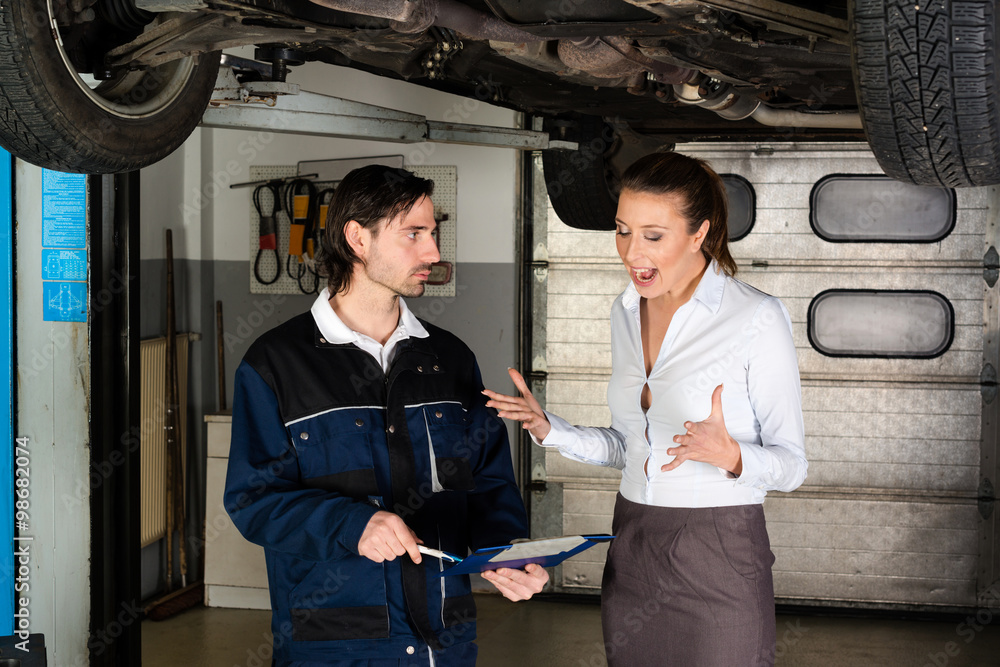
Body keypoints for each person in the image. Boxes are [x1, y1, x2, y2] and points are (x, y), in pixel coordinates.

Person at [484, 151, 807, 666]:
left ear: (700, 233)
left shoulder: (756, 317)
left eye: (653, 236)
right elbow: (631, 448)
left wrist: (732, 457)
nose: (632, 252)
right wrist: (552, 430)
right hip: (633, 543)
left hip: (719, 549)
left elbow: (792, 465)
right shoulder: (625, 309)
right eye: (622, 231)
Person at [225, 164, 548, 667]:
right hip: (334, 646)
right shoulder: (276, 364)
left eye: (433, 233)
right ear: (357, 238)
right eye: (414, 234)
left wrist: (507, 554)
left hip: (442, 641)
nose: (434, 253)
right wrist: (353, 524)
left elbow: (487, 484)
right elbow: (253, 500)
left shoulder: (450, 359)